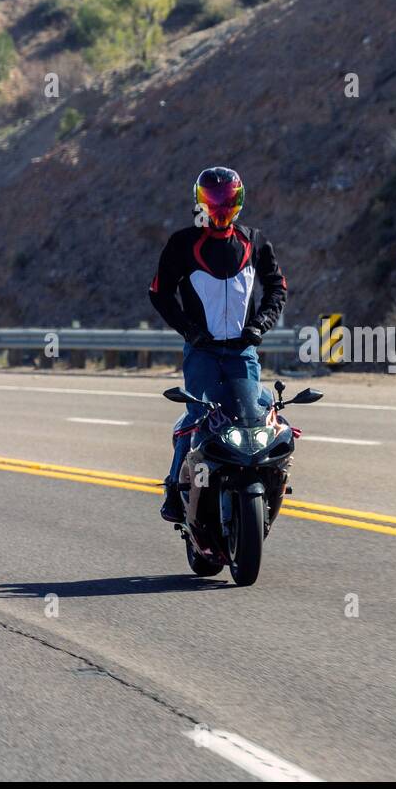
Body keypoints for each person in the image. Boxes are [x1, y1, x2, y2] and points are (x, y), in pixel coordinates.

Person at [148, 166, 287, 522]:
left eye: (229, 201)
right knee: (200, 415)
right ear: (200, 203)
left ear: (239, 202)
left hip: (243, 350)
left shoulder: (255, 242)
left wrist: (260, 326)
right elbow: (159, 293)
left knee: (255, 415)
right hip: (203, 352)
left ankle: (268, 480)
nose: (221, 210)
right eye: (213, 202)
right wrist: (189, 332)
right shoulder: (182, 244)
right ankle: (174, 488)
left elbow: (277, 288)